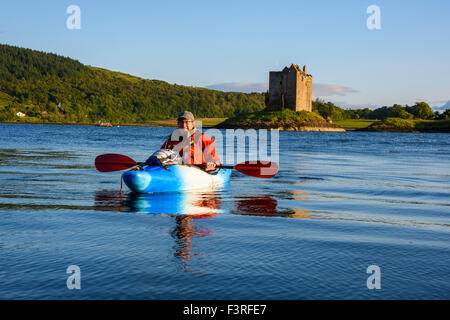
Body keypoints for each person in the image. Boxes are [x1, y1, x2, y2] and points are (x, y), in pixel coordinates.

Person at [148, 111, 221, 172]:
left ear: (193, 123)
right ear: (178, 124)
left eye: (187, 122)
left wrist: (213, 165)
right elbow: (162, 153)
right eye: (181, 122)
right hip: (175, 170)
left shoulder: (203, 139)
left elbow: (216, 160)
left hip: (198, 171)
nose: (183, 125)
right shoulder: (171, 139)